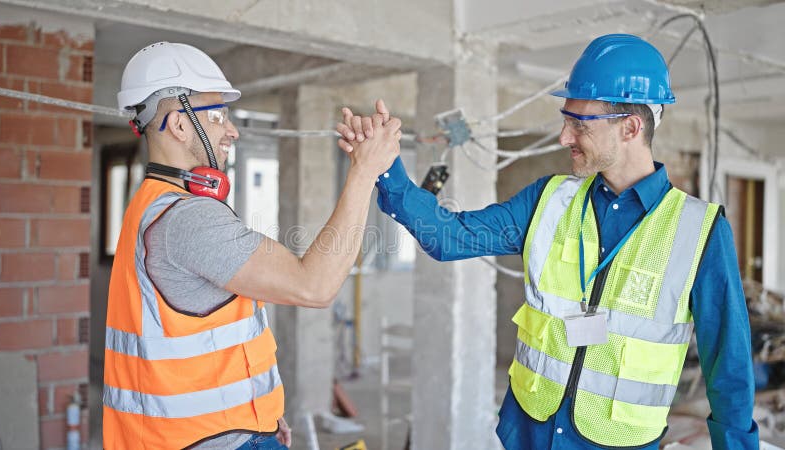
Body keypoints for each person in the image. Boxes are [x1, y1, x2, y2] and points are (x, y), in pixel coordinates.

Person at [337, 34, 758, 450]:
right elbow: (449, 237)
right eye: (566, 119)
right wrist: (386, 167)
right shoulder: (549, 199)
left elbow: (729, 367)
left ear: (630, 127)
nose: (563, 137)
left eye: (579, 122)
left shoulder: (698, 230)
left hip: (616, 443)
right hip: (530, 431)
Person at [104, 42, 401, 450]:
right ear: (179, 125)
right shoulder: (189, 219)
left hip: (209, 435)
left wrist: (259, 416)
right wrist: (365, 171)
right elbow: (313, 286)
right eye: (220, 115)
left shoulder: (150, 203)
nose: (233, 131)